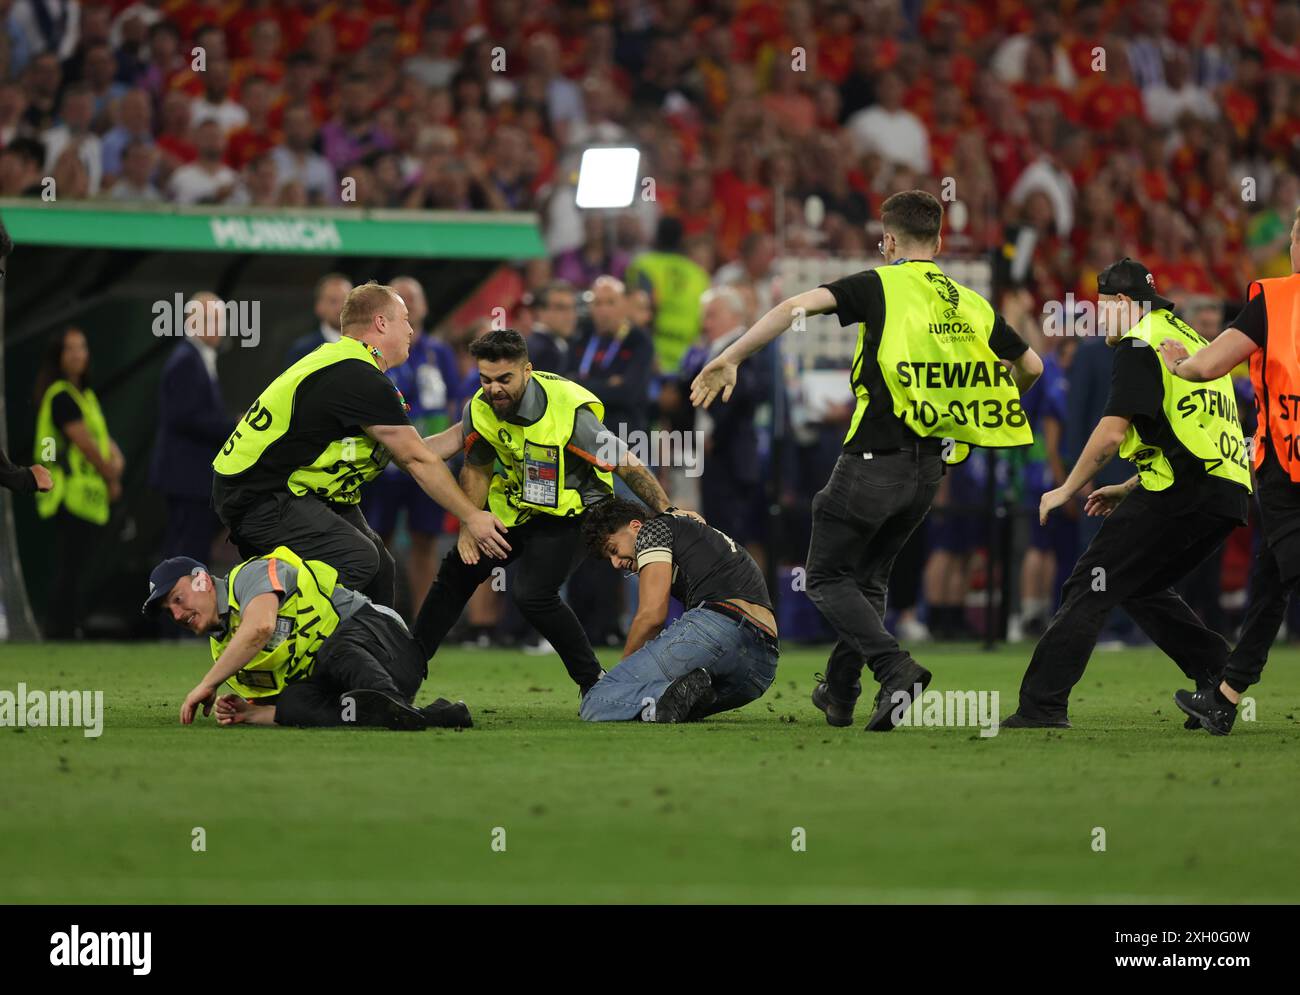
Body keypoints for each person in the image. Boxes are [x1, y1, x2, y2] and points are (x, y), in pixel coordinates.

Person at [692, 190, 1042, 730]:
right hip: (929, 468)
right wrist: (977, 409)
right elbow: (1033, 365)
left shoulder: (881, 284)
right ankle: (840, 691)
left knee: (827, 577)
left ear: (889, 242)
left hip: (873, 459)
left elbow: (792, 308)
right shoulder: (970, 301)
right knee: (869, 580)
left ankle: (894, 668)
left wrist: (729, 356)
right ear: (941, 241)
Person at [1006, 258, 1252, 728]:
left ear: (1122, 304)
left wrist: (1066, 488)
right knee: (1138, 584)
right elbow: (1190, 431)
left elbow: (1112, 434)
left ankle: (1041, 707)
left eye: (1102, 308)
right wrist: (1129, 484)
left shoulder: (1139, 343)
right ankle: (1220, 676)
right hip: (1225, 490)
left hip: (1184, 490)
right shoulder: (1191, 341)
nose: (1098, 321)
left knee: (1089, 583)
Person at [415, 328, 694, 697]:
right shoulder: (480, 408)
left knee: (532, 593)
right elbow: (478, 467)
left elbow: (624, 461)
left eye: (504, 379)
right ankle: (407, 667)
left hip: (576, 510)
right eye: (485, 379)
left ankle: (593, 682)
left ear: (527, 371)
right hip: (520, 506)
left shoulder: (567, 412)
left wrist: (667, 510)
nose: (493, 389)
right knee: (458, 569)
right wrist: (470, 519)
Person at [212, 281, 508, 611]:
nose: (411, 328)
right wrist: (471, 516)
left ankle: (376, 656)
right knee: (358, 557)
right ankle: (273, 631)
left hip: (290, 490)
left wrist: (472, 424)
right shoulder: (356, 374)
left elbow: (413, 451)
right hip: (262, 496)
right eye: (404, 318)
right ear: (381, 322)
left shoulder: (348, 364)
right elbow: (416, 460)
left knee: (380, 566)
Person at [1157, 208, 1300, 734]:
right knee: (1270, 580)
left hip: (1288, 464)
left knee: (1291, 567)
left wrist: (1179, 362)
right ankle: (1225, 695)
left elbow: (1211, 364)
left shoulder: (1277, 300)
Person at [141, 549, 472, 731]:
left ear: (201, 580)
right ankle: (425, 716)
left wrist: (208, 684)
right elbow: (285, 698)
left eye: (177, 599)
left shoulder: (249, 575)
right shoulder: (223, 650)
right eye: (168, 610)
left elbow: (260, 628)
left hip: (385, 642)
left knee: (334, 651)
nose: (177, 614)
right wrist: (249, 712)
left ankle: (390, 702)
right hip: (347, 689)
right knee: (296, 701)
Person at [578, 497, 779, 722]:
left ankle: (659, 695)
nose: (615, 563)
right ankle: (665, 701)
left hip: (719, 628)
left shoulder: (652, 530)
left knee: (598, 701)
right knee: (676, 705)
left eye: (613, 549)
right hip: (761, 667)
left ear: (635, 526)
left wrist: (621, 676)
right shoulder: (693, 536)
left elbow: (652, 615)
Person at [361, 275, 460, 619]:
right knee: (376, 541)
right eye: (400, 298)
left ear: (425, 306)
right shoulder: (371, 353)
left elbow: (451, 402)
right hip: (383, 465)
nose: (409, 304)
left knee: (425, 543)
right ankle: (375, 617)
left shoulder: (440, 353)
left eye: (413, 298)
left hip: (427, 459)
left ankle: (422, 623)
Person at [33, 326, 126, 639]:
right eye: (70, 349)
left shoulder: (84, 395)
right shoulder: (61, 397)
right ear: (58, 357)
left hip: (87, 495)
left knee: (79, 566)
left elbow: (103, 439)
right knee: (70, 566)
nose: (78, 355)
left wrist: (116, 459)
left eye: (82, 348)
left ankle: (69, 625)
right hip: (67, 493)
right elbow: (85, 444)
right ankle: (59, 629)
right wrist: (110, 474)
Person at [149, 292, 234, 564]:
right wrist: (233, 426)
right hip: (186, 478)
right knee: (184, 554)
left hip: (190, 478)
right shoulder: (186, 360)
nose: (219, 328)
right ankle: (174, 607)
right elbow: (186, 418)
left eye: (220, 320)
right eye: (211, 320)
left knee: (187, 551)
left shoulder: (197, 357)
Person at [284, 273, 352, 367]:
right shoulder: (303, 351)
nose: (341, 307)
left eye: (347, 300)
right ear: (319, 307)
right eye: (333, 301)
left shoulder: (367, 347)